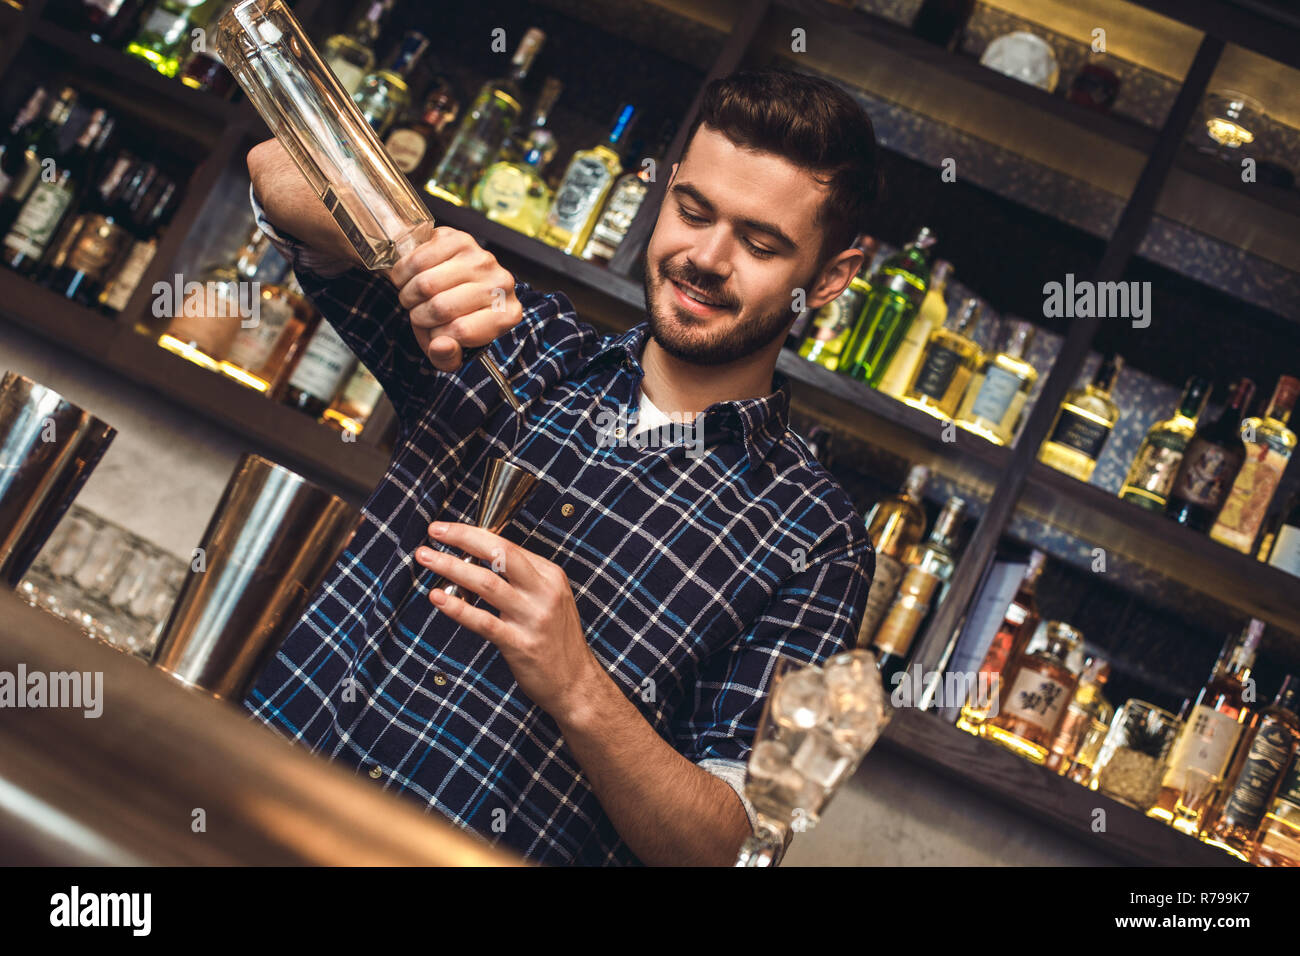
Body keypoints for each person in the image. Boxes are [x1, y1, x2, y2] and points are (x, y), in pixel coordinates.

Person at [241, 66, 881, 866]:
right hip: (243, 816)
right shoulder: (516, 342)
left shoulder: (816, 539)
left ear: (829, 277)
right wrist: (413, 250)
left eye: (759, 244)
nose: (707, 257)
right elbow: (276, 168)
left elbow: (736, 849)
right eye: (692, 211)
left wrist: (577, 683)